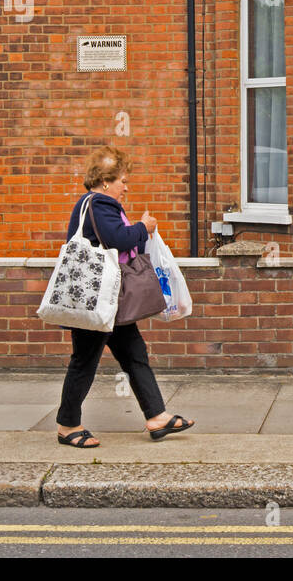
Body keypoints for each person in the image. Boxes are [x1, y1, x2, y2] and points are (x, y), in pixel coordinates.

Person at [55, 146, 194, 448]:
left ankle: (157, 416)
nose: (126, 187)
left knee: (134, 353)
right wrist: (144, 228)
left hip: (109, 300)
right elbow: (118, 240)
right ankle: (67, 425)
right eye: (122, 180)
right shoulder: (101, 203)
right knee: (84, 360)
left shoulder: (87, 204)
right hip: (98, 301)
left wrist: (136, 228)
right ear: (105, 181)